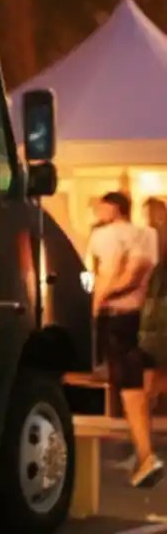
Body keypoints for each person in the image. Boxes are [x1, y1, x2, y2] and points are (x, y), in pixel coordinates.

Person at [89, 191, 162, 487]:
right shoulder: (149, 236)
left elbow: (124, 271)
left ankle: (146, 456)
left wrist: (100, 299)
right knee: (140, 386)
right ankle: (144, 452)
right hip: (141, 318)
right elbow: (141, 271)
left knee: (130, 388)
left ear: (114, 208)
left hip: (116, 315)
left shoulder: (107, 235)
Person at [140, 197, 167, 410]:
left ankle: (150, 400)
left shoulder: (152, 237)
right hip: (157, 302)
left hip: (156, 303)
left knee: (153, 356)